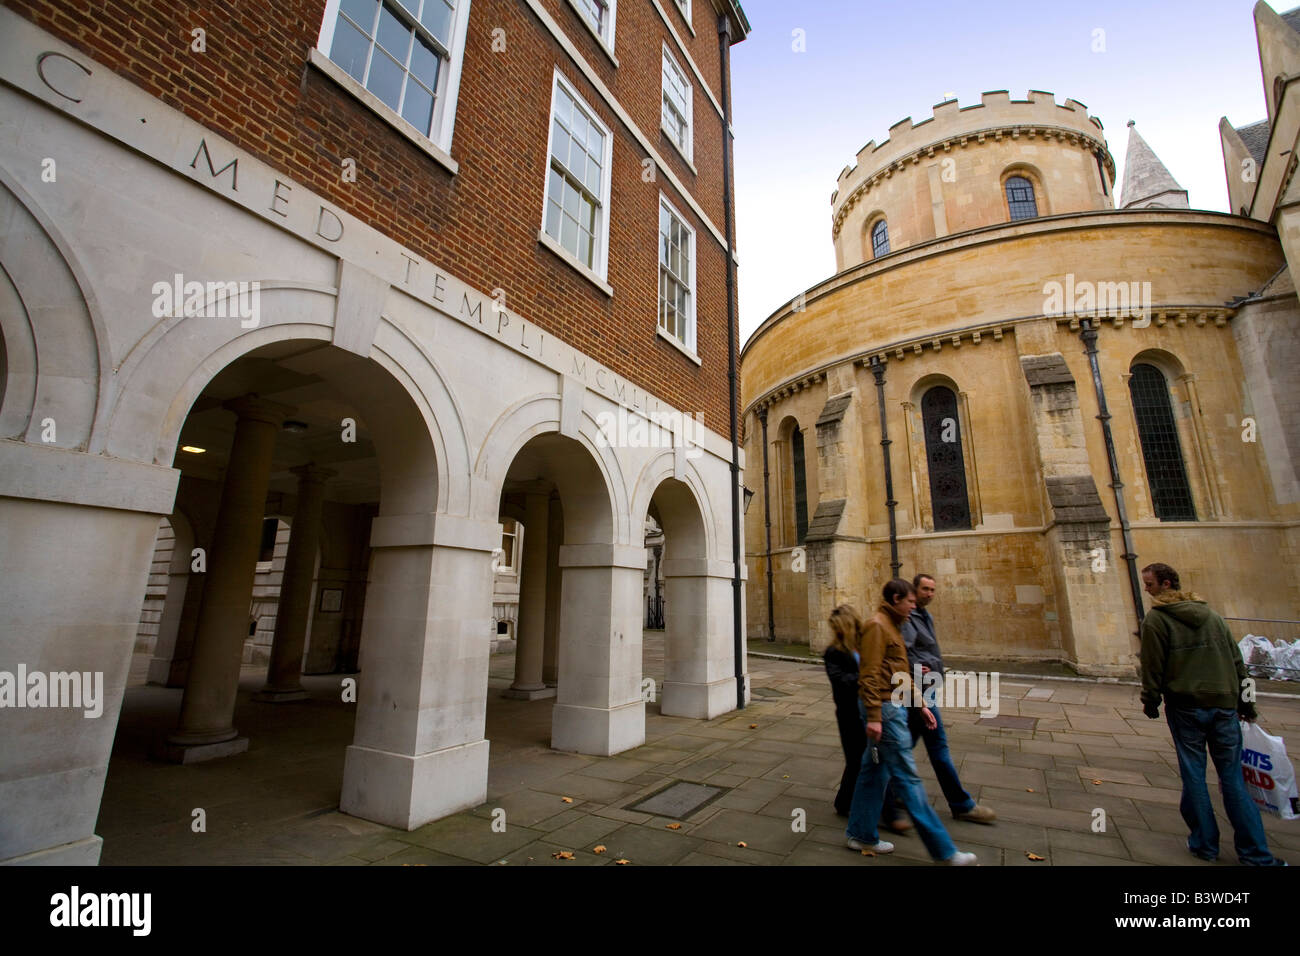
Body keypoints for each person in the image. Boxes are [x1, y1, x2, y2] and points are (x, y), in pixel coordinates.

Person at [1138, 562, 1286, 866]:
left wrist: (1150, 701)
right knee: (1232, 780)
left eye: (1150, 584)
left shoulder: (1157, 620)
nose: (1146, 589)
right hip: (1224, 707)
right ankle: (1257, 855)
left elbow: (1152, 667)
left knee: (1194, 775)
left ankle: (1205, 845)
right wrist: (1247, 706)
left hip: (1186, 707)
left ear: (1166, 584)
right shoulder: (1213, 617)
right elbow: (1238, 665)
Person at [844, 582, 977, 865]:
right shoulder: (877, 626)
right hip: (885, 709)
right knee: (908, 778)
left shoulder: (895, 626)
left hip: (894, 705)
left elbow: (900, 673)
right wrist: (875, 717)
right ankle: (946, 852)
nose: (915, 606)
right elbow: (868, 676)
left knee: (873, 773)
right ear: (896, 599)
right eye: (911, 601)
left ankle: (861, 834)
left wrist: (921, 706)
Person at [900, 573, 995, 824]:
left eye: (933, 589)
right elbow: (903, 652)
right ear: (914, 589)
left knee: (902, 746)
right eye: (925, 589)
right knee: (938, 747)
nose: (929, 594)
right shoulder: (909, 617)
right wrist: (919, 669)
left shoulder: (924, 615)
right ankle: (961, 804)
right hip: (917, 689)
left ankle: (882, 792)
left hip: (926, 687)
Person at [823, 608, 911, 832]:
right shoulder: (834, 652)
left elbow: (882, 666)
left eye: (838, 626)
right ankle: (890, 815)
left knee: (866, 761)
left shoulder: (864, 647)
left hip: (869, 709)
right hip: (849, 714)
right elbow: (840, 680)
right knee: (863, 761)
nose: (836, 631)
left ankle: (845, 803)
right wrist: (866, 678)